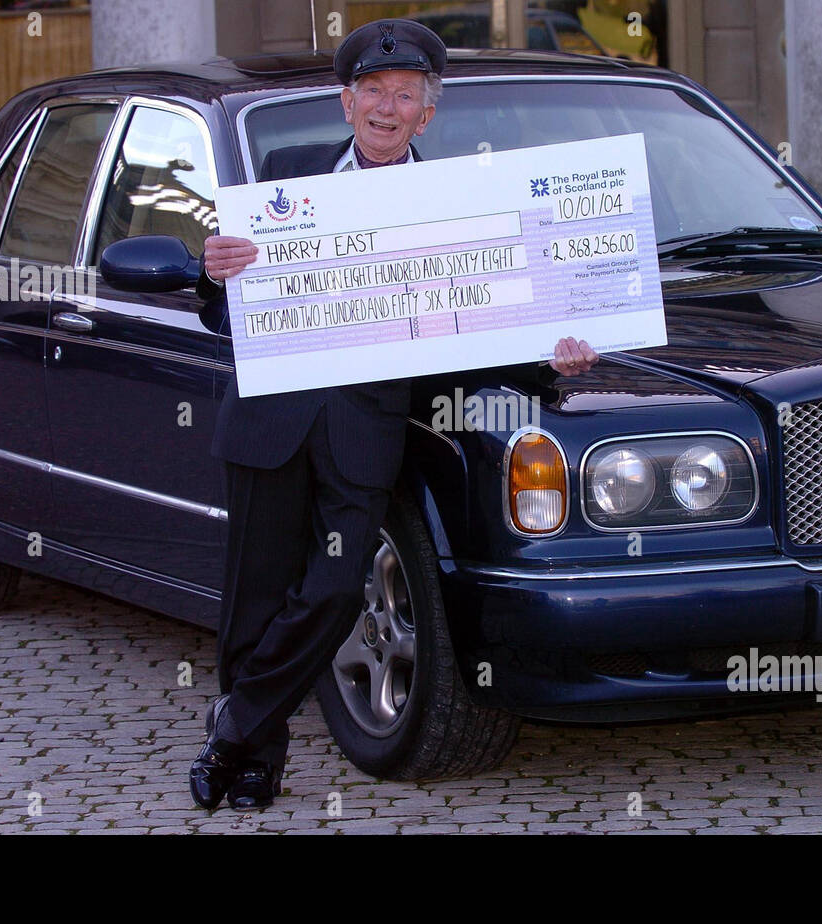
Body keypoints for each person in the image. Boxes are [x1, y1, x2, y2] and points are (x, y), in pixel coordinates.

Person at [190, 18, 599, 811]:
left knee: (337, 589)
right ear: (346, 105)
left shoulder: (449, 206)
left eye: (404, 95)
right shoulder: (285, 181)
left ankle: (232, 724)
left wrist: (551, 358)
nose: (386, 106)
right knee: (255, 600)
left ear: (427, 115)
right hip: (270, 422)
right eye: (371, 91)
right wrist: (215, 274)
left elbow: (474, 324)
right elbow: (222, 313)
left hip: (363, 431)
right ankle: (254, 763)